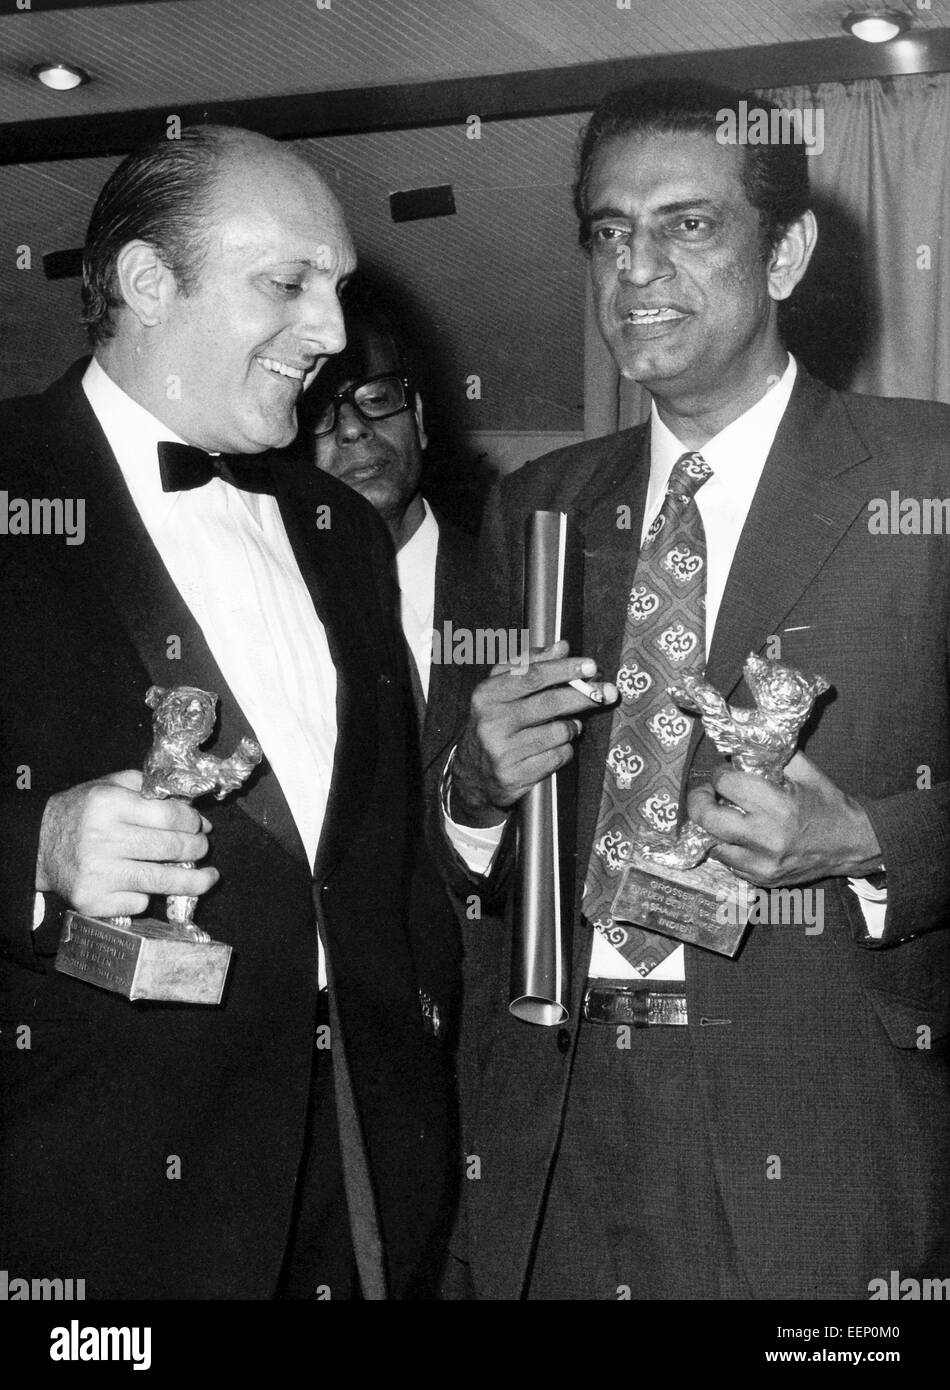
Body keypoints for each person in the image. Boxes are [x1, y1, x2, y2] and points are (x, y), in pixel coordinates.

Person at [438, 79, 950, 1300]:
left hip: (820, 1145)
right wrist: (472, 787)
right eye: (608, 232)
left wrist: (866, 841)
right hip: (550, 1142)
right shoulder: (533, 506)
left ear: (785, 252)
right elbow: (435, 832)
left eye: (686, 224)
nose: (635, 270)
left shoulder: (928, 478)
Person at [0, 124, 458, 1300]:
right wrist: (34, 850)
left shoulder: (342, 531)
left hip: (358, 1182)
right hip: (88, 1203)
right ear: (149, 281)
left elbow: (384, 858)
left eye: (339, 288)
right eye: (287, 283)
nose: (330, 331)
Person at [298, 279, 479, 775]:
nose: (353, 427)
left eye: (376, 398)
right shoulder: (278, 605)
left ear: (417, 419)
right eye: (319, 414)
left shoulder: (521, 586)